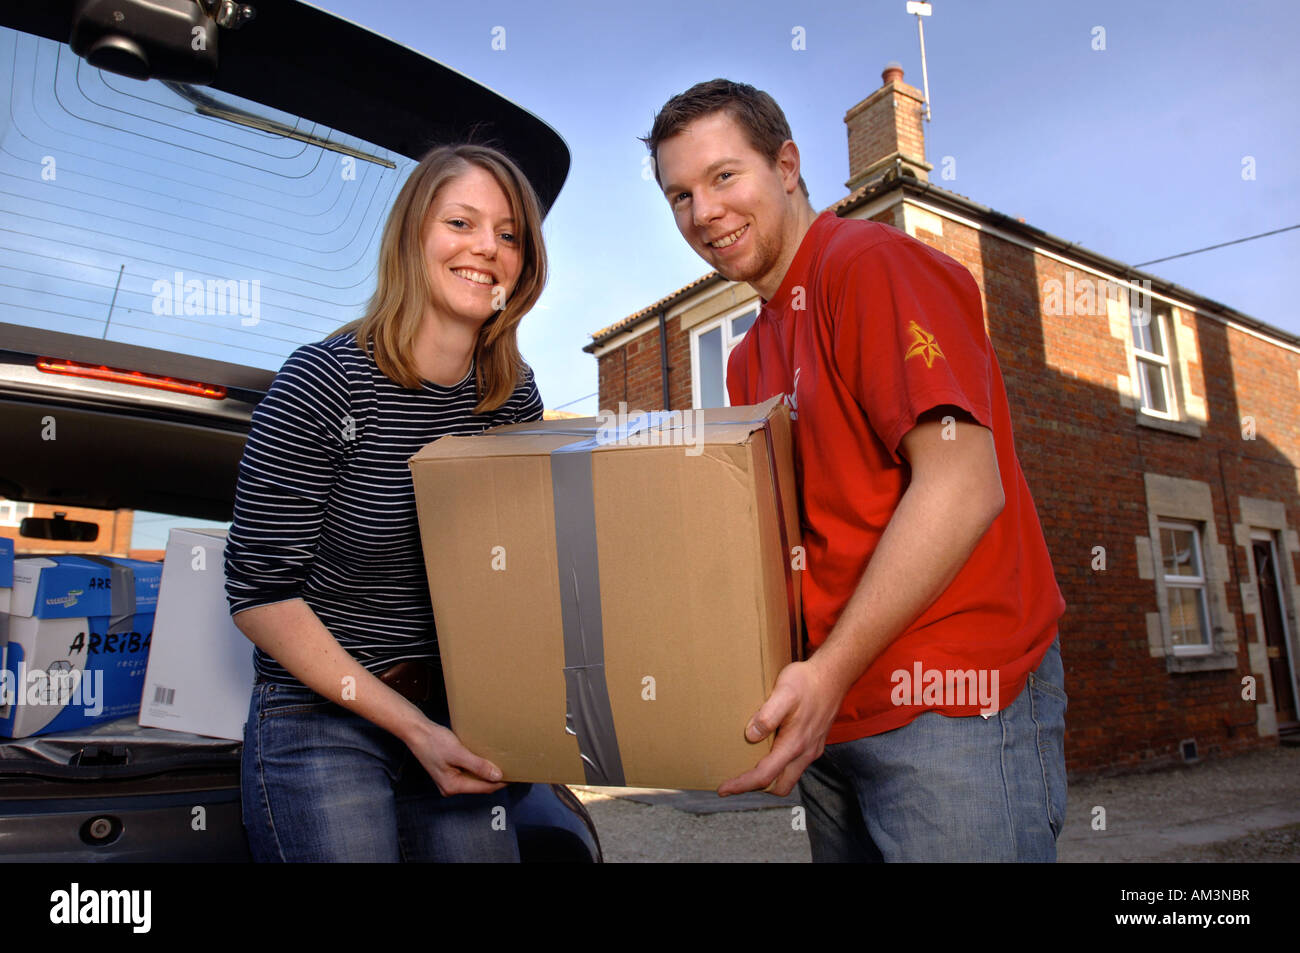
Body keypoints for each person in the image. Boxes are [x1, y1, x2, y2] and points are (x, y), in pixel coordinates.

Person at [644, 79, 1068, 862]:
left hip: (950, 702)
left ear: (788, 165)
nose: (702, 213)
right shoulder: (747, 357)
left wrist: (827, 671)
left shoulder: (874, 268)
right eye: (680, 195)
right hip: (833, 716)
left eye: (724, 176)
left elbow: (964, 486)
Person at [224, 143, 548, 862]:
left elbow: (512, 569)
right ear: (412, 236)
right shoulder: (325, 381)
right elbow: (259, 593)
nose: (485, 248)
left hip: (458, 710)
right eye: (460, 222)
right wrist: (411, 726)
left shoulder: (512, 400)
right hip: (321, 712)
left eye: (508, 233)